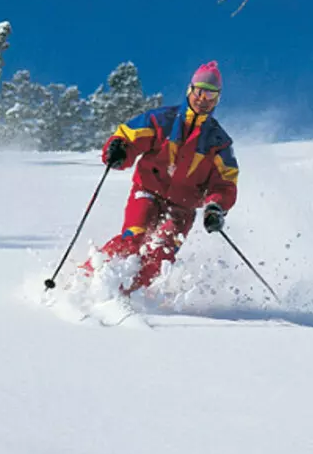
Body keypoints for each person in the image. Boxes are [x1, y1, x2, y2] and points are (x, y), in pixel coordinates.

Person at [83, 61, 238, 292]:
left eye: (211, 95)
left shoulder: (218, 142)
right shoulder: (162, 120)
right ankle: (87, 278)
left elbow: (225, 183)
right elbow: (128, 136)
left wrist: (214, 207)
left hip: (182, 208)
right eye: (200, 91)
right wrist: (118, 149)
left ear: (218, 99)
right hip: (147, 191)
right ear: (190, 90)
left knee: (161, 252)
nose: (203, 99)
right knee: (134, 239)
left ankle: (132, 294)